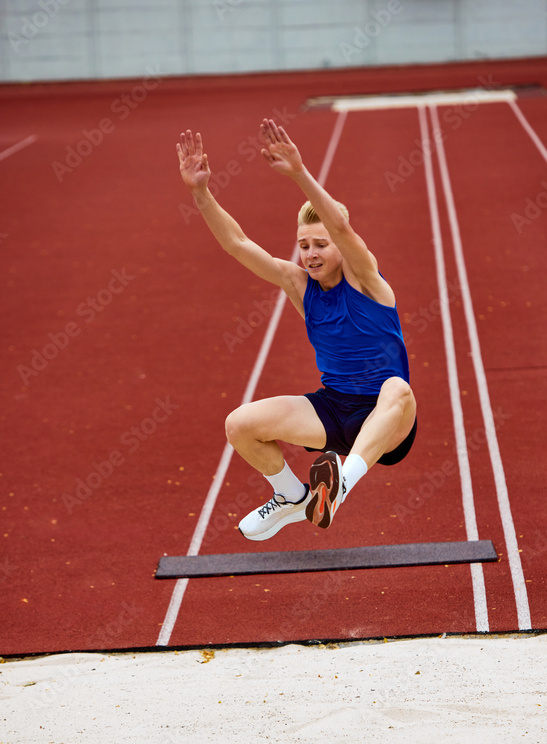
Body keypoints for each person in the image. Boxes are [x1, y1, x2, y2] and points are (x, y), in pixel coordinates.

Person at [176, 119, 417, 541]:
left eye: (320, 245)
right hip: (333, 411)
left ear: (341, 247)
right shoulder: (298, 285)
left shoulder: (367, 280)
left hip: (387, 421)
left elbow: (341, 228)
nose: (310, 254)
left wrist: (299, 174)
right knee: (240, 424)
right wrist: (200, 192)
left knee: (398, 388)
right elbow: (237, 244)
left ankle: (340, 483)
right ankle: (291, 496)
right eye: (303, 245)